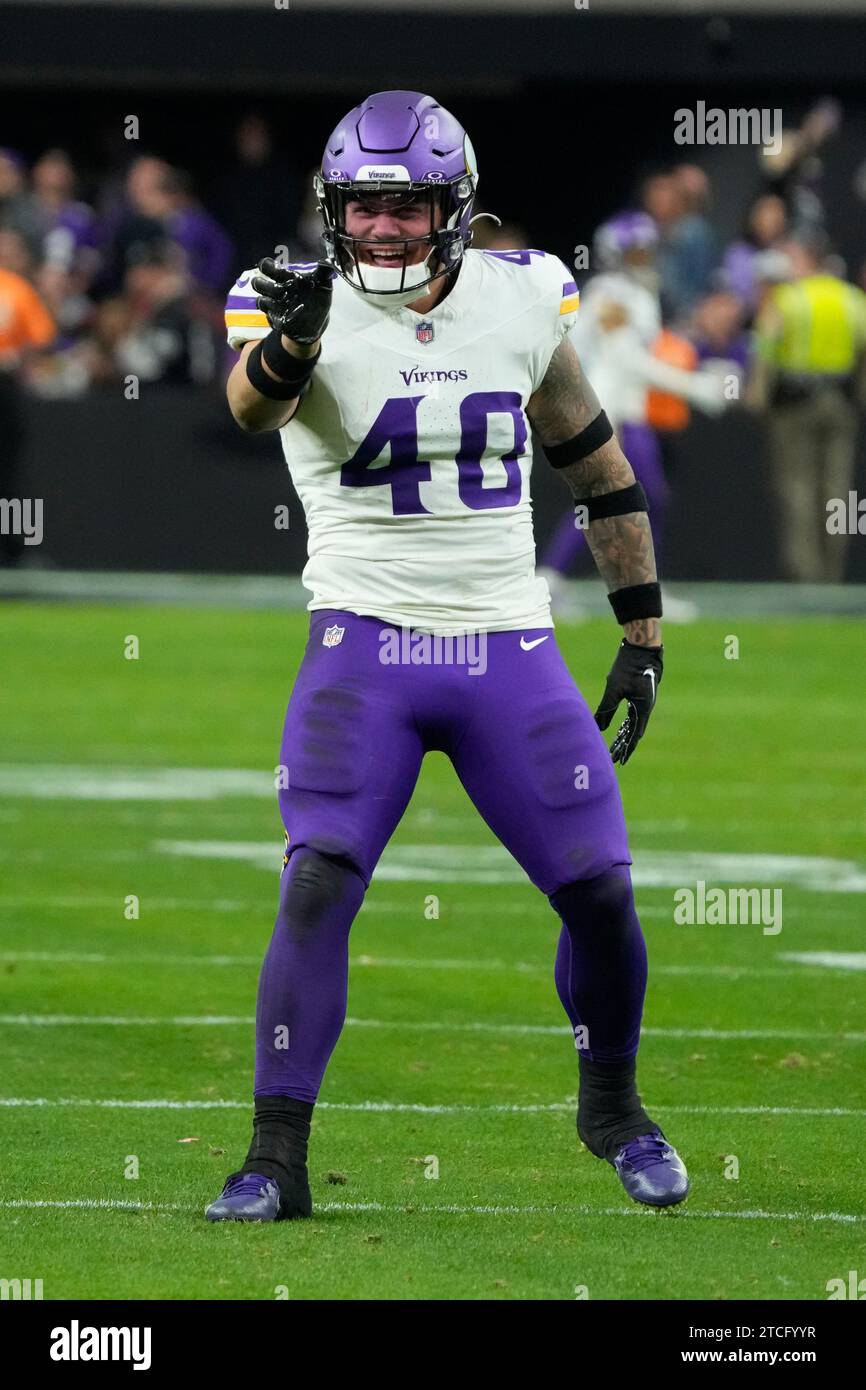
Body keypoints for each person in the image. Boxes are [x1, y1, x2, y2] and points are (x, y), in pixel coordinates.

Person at [206, 90, 690, 1224]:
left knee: (602, 893)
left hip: (505, 645)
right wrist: (297, 336)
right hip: (361, 644)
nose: (379, 228)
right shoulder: (284, 302)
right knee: (318, 880)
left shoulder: (521, 297)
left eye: (404, 206)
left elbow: (593, 459)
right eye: (361, 206)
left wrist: (641, 629)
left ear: (452, 209)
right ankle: (274, 1158)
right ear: (331, 208)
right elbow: (245, 409)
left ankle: (612, 1108)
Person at [540, 211, 727, 621]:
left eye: (647, 250)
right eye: (636, 251)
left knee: (640, 497)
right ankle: (560, 580)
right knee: (615, 498)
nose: (644, 258)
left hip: (621, 408)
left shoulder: (624, 292)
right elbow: (628, 361)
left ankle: (636, 588)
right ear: (616, 254)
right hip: (610, 409)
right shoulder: (615, 294)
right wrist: (695, 386)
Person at [747, 232, 866, 582]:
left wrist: (757, 395)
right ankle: (832, 575)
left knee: (796, 489)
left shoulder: (787, 299)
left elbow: (765, 351)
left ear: (808, 261)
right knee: (837, 493)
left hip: (794, 405)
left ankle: (805, 576)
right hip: (841, 403)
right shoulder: (853, 299)